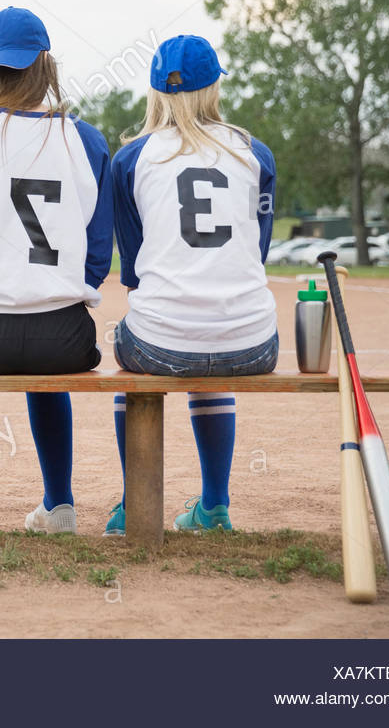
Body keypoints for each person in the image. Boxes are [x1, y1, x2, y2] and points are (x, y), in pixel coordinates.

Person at [0, 7, 112, 536]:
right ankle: (61, 507)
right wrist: (46, 291)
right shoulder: (90, 141)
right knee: (48, 374)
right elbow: (98, 257)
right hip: (66, 337)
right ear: (45, 65)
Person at [104, 35, 276, 535]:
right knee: (213, 353)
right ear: (215, 85)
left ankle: (133, 504)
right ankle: (215, 507)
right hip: (253, 345)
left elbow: (134, 270)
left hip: (159, 342)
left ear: (155, 92)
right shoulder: (255, 152)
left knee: (132, 356)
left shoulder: (131, 159)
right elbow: (255, 254)